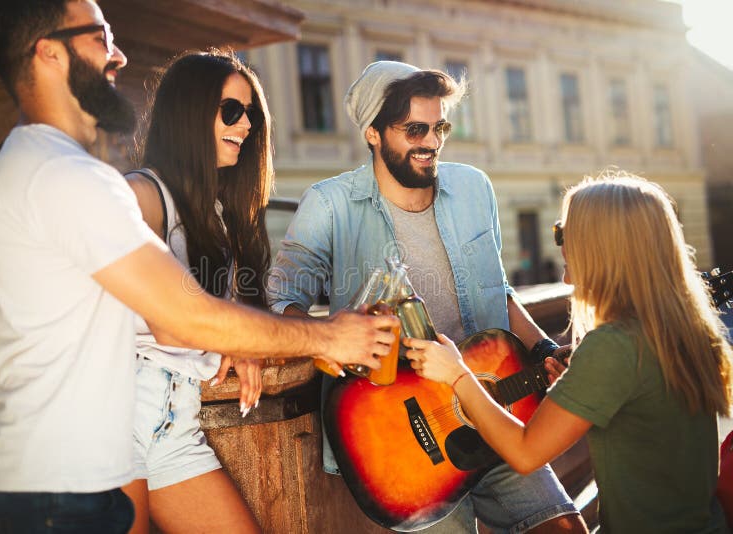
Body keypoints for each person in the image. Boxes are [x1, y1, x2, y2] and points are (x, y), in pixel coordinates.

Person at [0, 1, 397, 532]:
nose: (118, 55)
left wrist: (238, 337)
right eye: (100, 37)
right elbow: (180, 319)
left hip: (144, 434)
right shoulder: (69, 177)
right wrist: (328, 337)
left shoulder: (57, 170)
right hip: (65, 471)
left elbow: (184, 313)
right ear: (49, 52)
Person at [268, 60, 587, 533]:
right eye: (415, 129)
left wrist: (543, 349)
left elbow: (498, 291)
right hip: (401, 444)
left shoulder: (475, 188)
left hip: (494, 408)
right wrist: (328, 339)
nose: (432, 142)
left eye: (440, 128)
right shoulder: (329, 204)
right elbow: (282, 298)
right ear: (373, 133)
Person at [405, 172, 733, 532]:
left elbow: (524, 453)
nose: (559, 242)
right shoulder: (683, 328)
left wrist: (457, 374)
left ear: (600, 244)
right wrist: (581, 384)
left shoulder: (614, 345)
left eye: (563, 231)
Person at [122, 50, 275, 533]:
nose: (245, 124)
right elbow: (170, 320)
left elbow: (212, 321)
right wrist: (236, 337)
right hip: (113, 419)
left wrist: (239, 340)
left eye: (250, 113)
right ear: (189, 113)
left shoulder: (215, 220)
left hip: (174, 425)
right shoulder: (140, 195)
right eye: (231, 110)